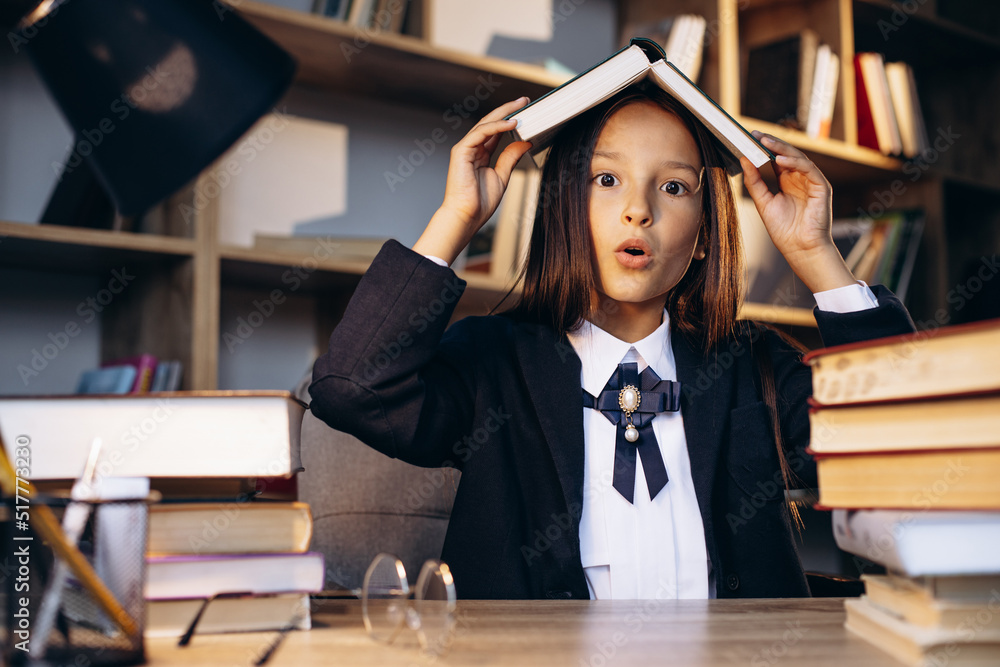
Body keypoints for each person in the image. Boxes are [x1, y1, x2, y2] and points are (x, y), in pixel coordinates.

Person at [308, 83, 915, 600]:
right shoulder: (496, 364)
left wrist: (816, 256)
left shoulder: (749, 364)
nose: (638, 210)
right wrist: (457, 217)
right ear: (564, 208)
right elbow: (352, 388)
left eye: (674, 188)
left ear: (705, 234)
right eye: (606, 178)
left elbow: (903, 434)